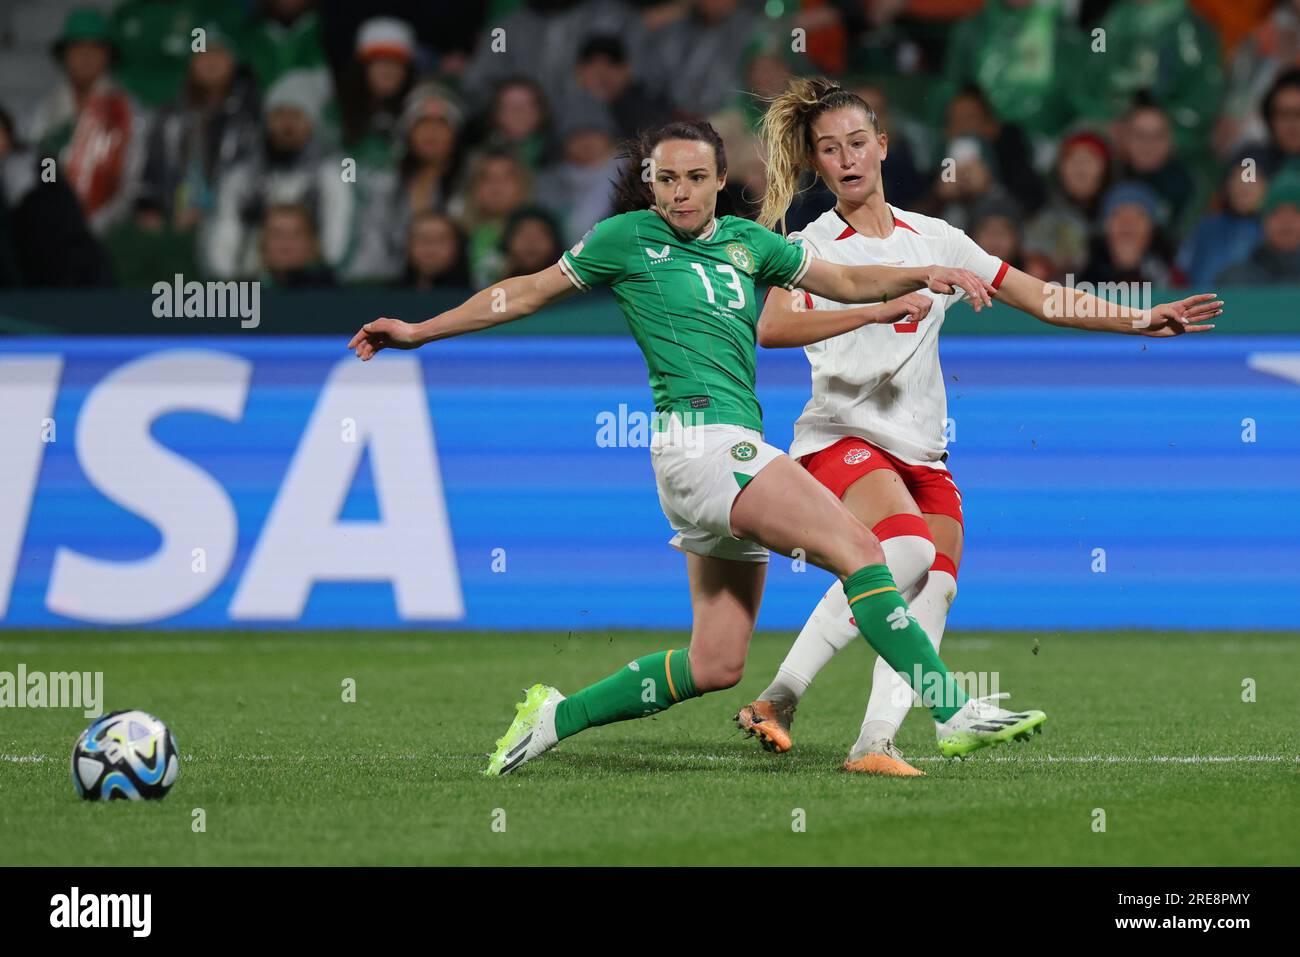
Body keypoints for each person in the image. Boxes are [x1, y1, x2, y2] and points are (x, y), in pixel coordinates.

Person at [347, 118, 1045, 778]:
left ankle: (555, 715)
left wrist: (917, 275)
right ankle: (953, 710)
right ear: (649, 184)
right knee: (863, 552)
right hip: (701, 445)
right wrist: (420, 329)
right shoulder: (624, 239)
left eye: (695, 176)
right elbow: (525, 292)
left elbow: (842, 278)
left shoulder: (749, 243)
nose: (680, 190)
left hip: (726, 455)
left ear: (718, 182)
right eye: (667, 178)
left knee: (715, 662)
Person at [735, 78, 1221, 776]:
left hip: (921, 444)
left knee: (934, 582)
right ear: (817, 163)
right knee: (900, 554)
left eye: (857, 142)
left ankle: (874, 743)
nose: (847, 158)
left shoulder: (936, 238)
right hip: (841, 433)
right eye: (829, 149)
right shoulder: (811, 245)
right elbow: (772, 325)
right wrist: (873, 308)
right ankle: (785, 693)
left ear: (883, 147)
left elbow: (1041, 297)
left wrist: (1140, 316)